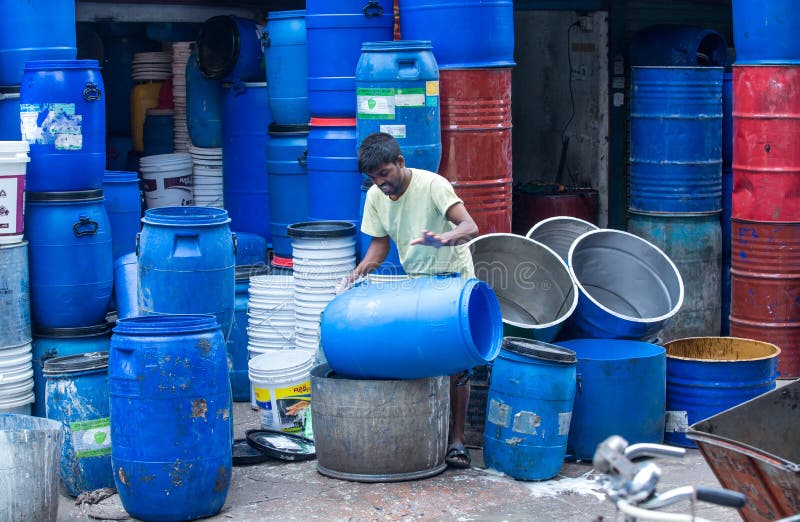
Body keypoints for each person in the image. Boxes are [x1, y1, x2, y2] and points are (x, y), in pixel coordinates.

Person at [351, 132, 479, 469]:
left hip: (453, 283)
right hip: (417, 287)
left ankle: (457, 441)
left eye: (384, 174)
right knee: (421, 356)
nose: (381, 183)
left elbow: (469, 226)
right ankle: (426, 434)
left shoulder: (433, 185)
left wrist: (443, 239)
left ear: (400, 163)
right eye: (373, 178)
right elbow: (379, 246)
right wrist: (359, 272)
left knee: (456, 366)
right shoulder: (375, 197)